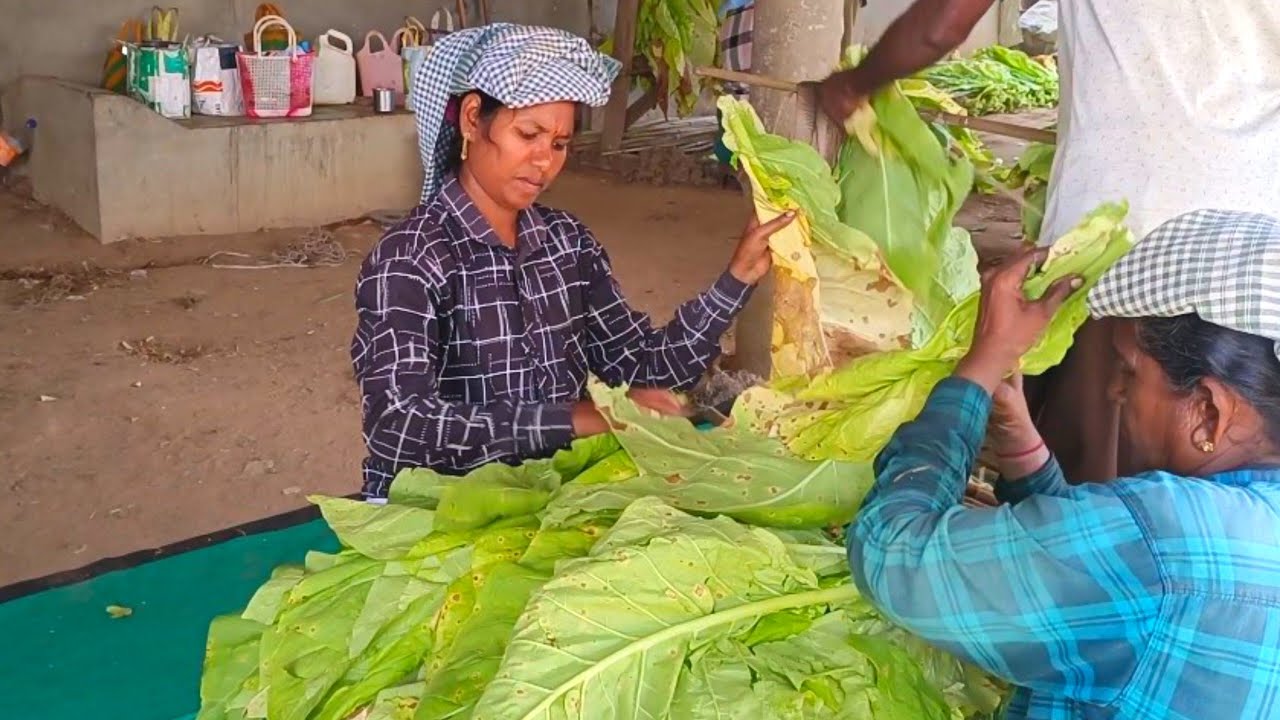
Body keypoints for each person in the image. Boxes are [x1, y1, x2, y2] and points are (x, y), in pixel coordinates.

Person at [817, 0, 1280, 482]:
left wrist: (853, 85)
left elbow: (942, 24)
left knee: (1090, 480)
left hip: (1119, 245)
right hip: (1257, 257)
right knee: (1239, 470)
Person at [848, 209, 1280, 718]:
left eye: (1129, 372)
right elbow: (1092, 571)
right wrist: (1023, 447)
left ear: (1208, 412)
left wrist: (980, 366)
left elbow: (891, 553)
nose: (1116, 391)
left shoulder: (1167, 541)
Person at [350, 24, 792, 499]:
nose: (544, 160)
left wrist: (736, 278)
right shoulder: (411, 256)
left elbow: (644, 370)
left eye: (559, 144)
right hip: (437, 511)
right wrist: (579, 418)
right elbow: (399, 426)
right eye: (528, 134)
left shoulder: (567, 244)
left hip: (550, 498)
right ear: (473, 119)